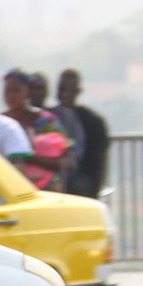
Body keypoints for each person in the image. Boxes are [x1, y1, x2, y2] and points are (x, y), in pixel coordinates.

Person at [0, 68, 72, 189]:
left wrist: (32, 157)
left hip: (45, 188)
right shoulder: (0, 122)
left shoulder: (46, 121)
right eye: (8, 91)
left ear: (27, 93)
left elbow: (68, 161)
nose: (11, 96)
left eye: (16, 91)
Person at [55, 69, 110, 197]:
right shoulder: (49, 117)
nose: (65, 95)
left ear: (78, 92)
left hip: (82, 184)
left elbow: (101, 159)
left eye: (70, 90)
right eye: (62, 90)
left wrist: (96, 190)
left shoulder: (93, 121)